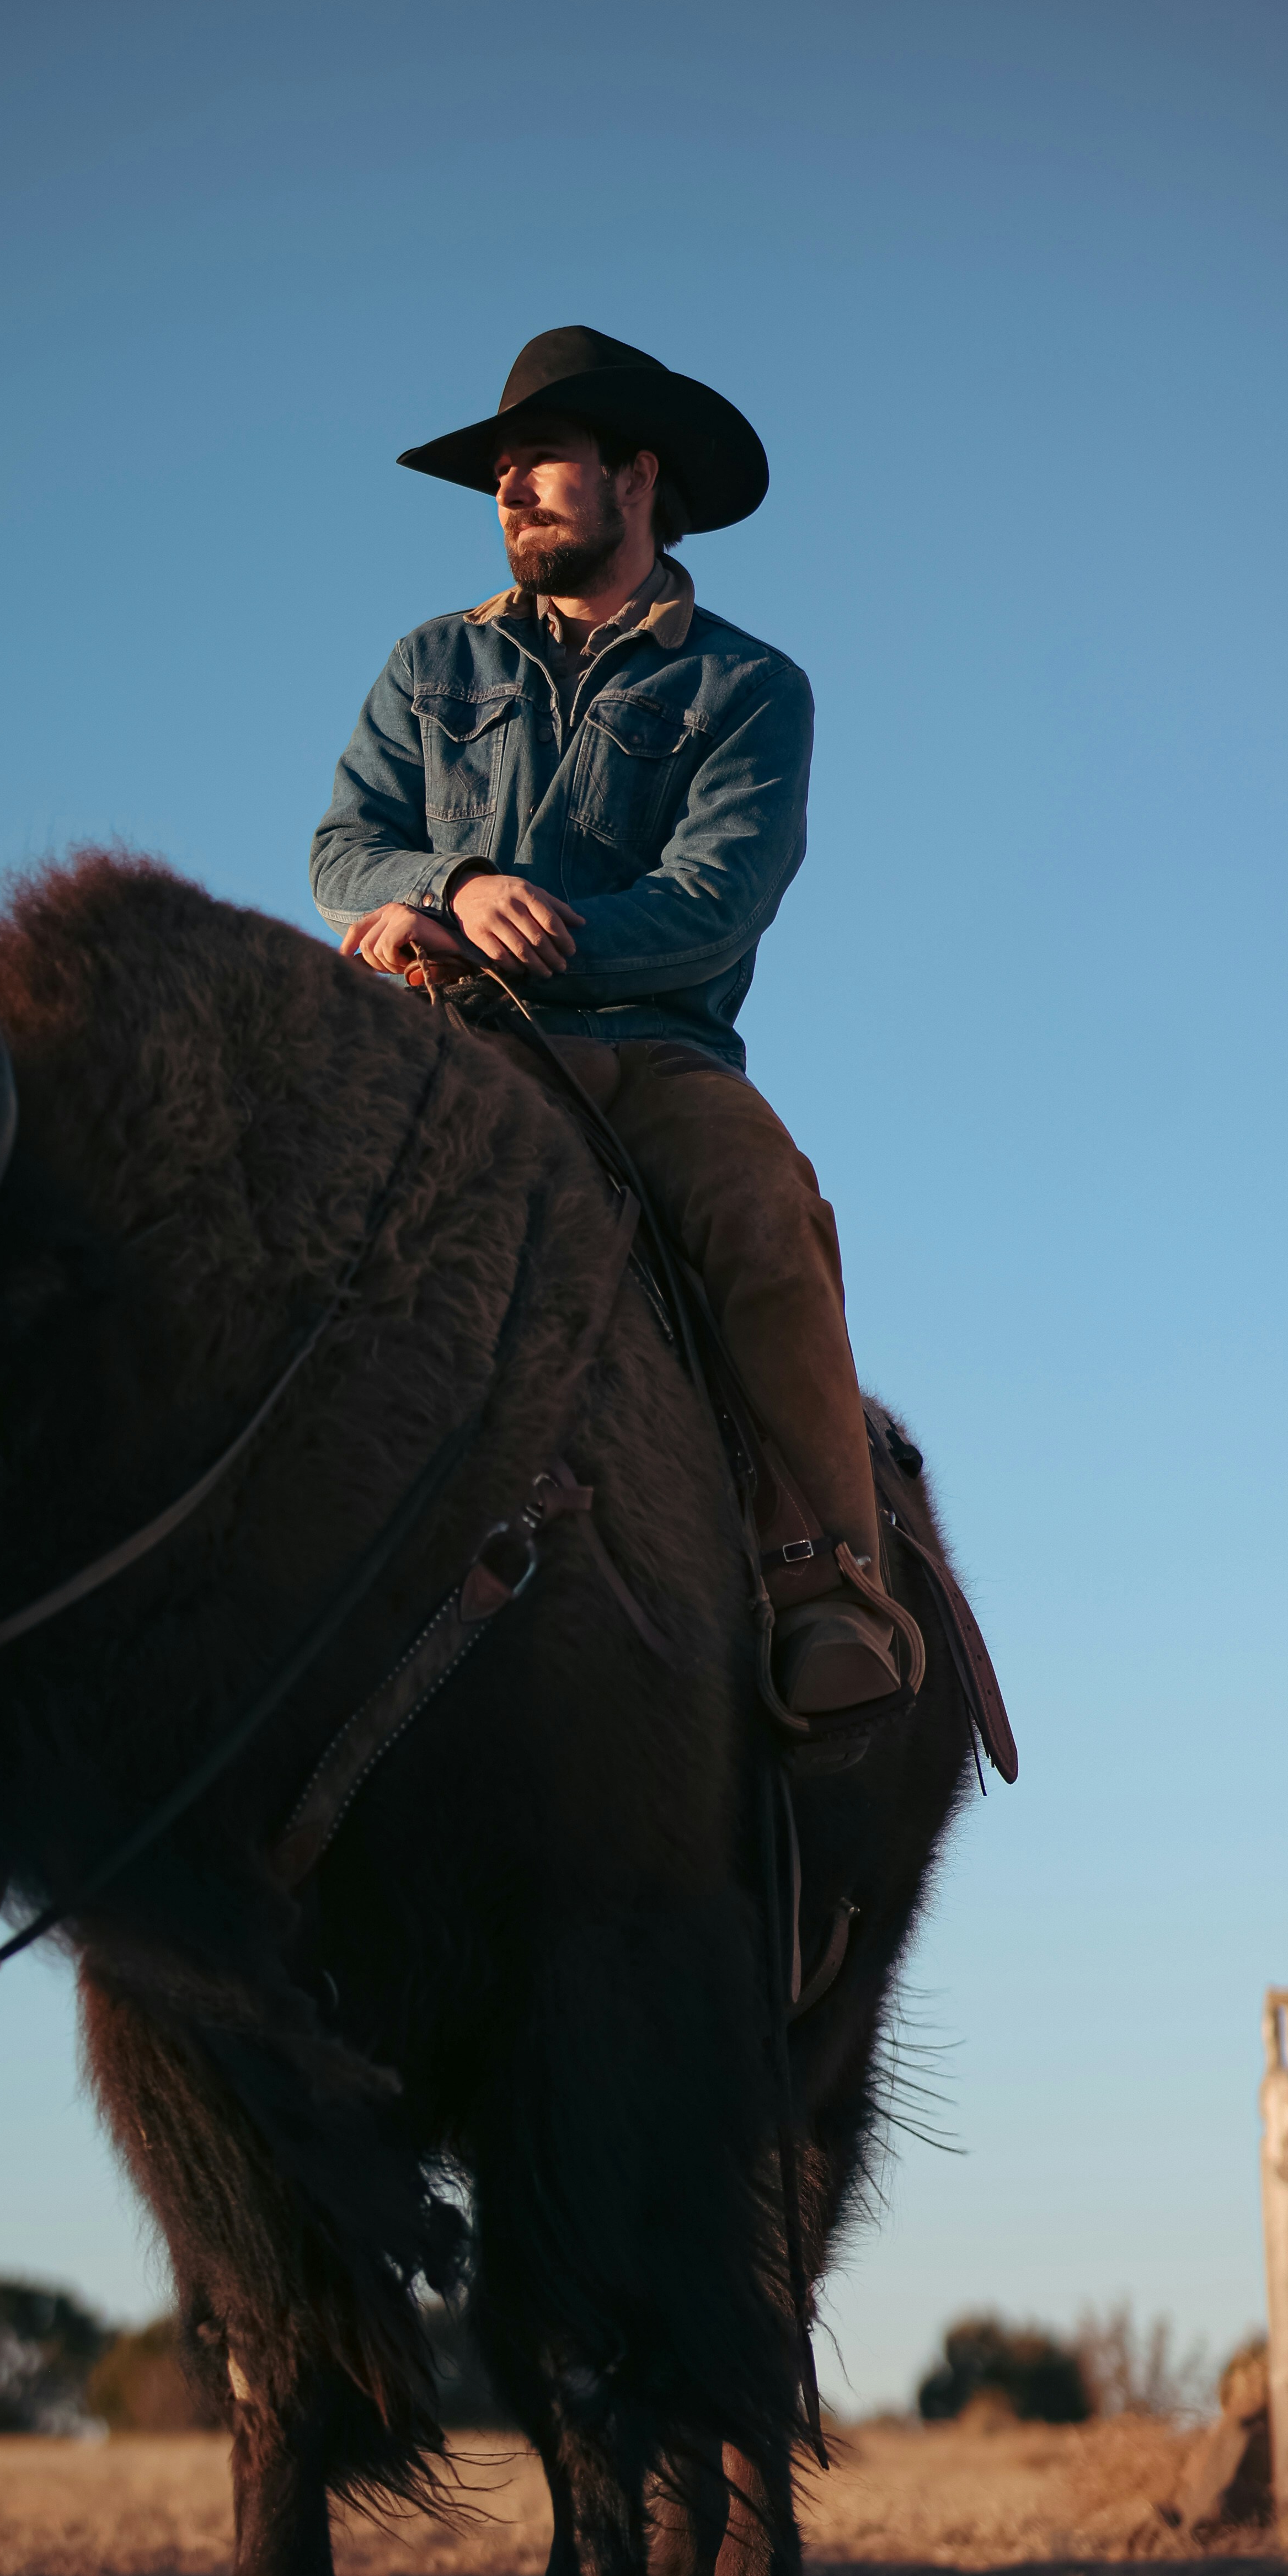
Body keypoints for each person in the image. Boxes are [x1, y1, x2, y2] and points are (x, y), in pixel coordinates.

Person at [311, 325, 898, 1718]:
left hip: (653, 1052)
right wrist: (447, 889)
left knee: (767, 1215)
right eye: (500, 472)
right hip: (442, 1039)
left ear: (638, 478)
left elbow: (718, 899)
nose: (510, 490)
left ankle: (833, 1590)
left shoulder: (749, 688)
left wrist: (518, 942)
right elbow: (345, 850)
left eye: (541, 464)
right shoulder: (428, 665)